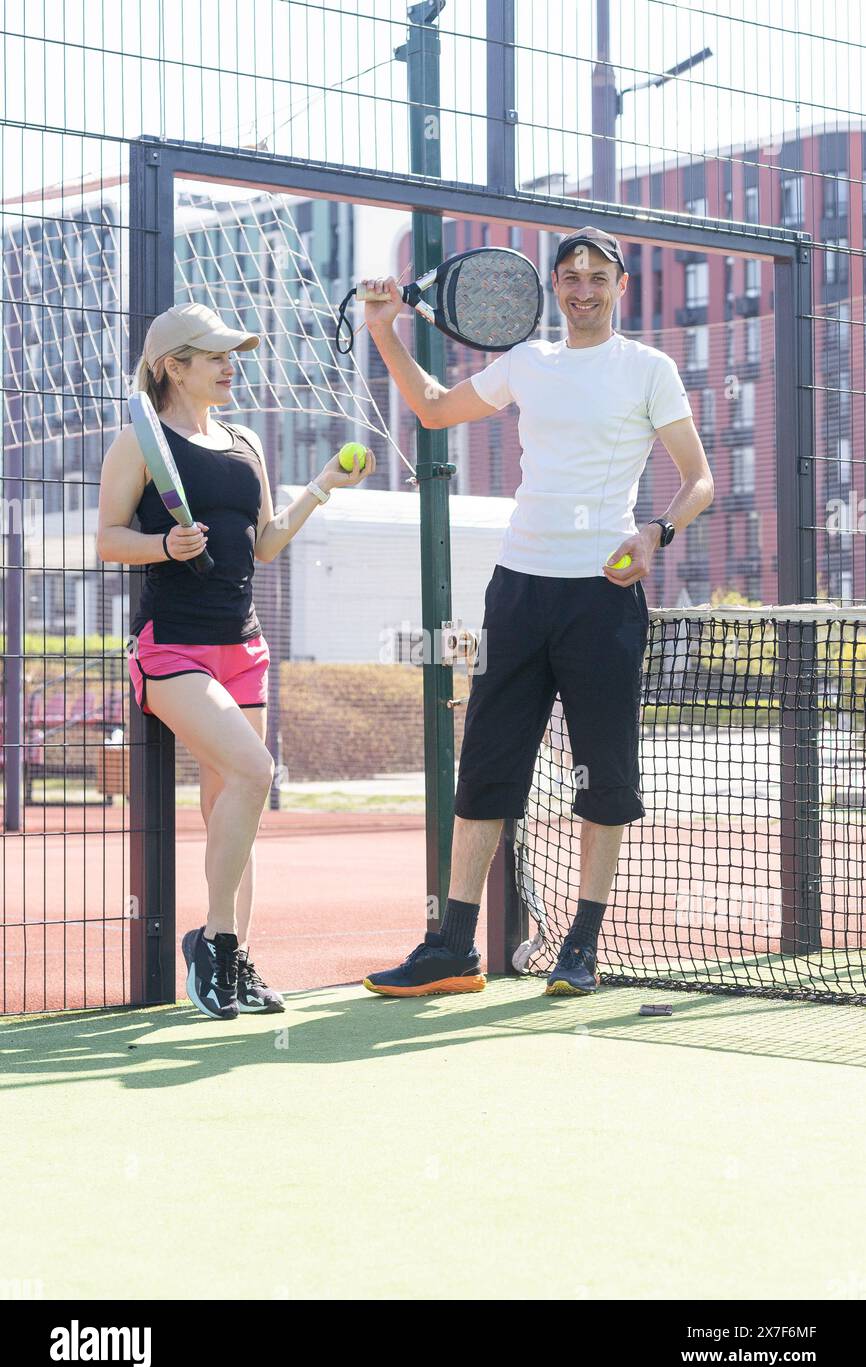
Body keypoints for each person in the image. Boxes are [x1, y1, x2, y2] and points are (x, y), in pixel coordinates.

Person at [360, 226, 713, 998]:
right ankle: (452, 949)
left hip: (603, 597)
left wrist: (655, 534)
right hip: (517, 591)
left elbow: (700, 480)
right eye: (571, 277)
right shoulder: (527, 363)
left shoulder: (649, 370)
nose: (584, 290)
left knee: (604, 776)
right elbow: (432, 409)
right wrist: (384, 330)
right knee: (486, 767)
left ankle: (580, 949)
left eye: (597, 277)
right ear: (554, 286)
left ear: (620, 286)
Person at [97, 302, 374, 1019]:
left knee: (236, 804)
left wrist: (321, 486)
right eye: (216, 356)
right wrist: (164, 546)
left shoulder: (245, 441)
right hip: (172, 648)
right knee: (256, 772)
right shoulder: (139, 441)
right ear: (173, 367)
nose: (231, 366)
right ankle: (214, 944)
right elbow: (108, 538)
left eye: (232, 355)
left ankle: (235, 959)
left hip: (243, 647)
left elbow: (266, 543)